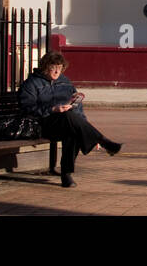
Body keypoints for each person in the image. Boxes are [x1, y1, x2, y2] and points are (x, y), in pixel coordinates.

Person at [19, 51, 122, 187]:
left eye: (60, 68)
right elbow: (27, 109)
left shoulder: (65, 82)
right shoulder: (31, 83)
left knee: (72, 130)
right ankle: (101, 140)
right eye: (53, 67)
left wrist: (85, 128)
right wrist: (53, 109)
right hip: (41, 124)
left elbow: (77, 109)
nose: (57, 71)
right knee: (67, 118)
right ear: (45, 66)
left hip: (64, 122)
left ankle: (66, 174)